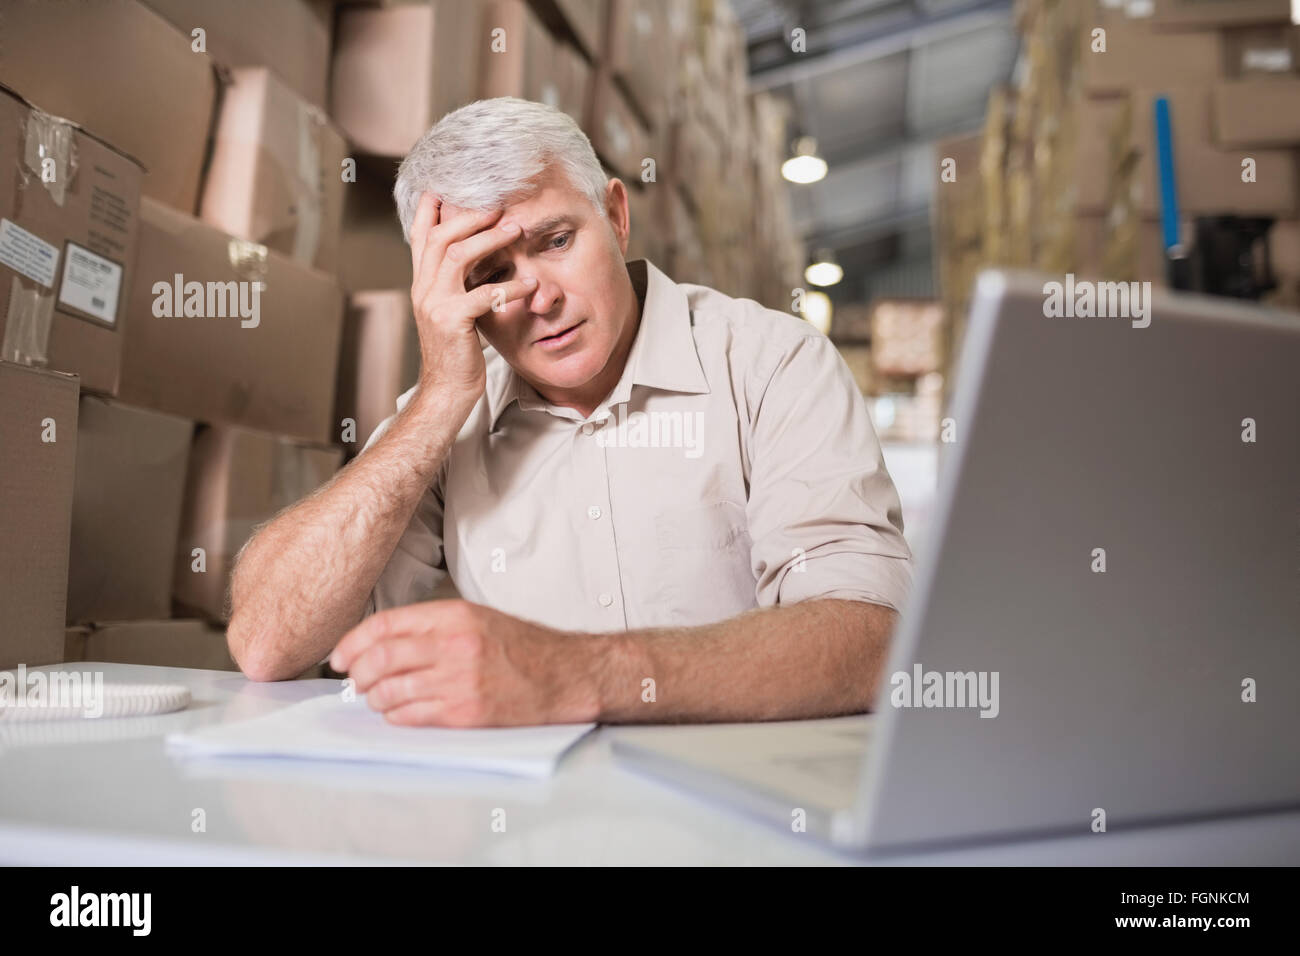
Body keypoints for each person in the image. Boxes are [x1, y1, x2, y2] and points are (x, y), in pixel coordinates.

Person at [227, 97, 912, 727]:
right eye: (490, 274)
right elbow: (265, 643)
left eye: (556, 241)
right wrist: (436, 399)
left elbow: (869, 638)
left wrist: (577, 675)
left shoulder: (772, 364)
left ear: (615, 215)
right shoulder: (445, 414)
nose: (539, 298)